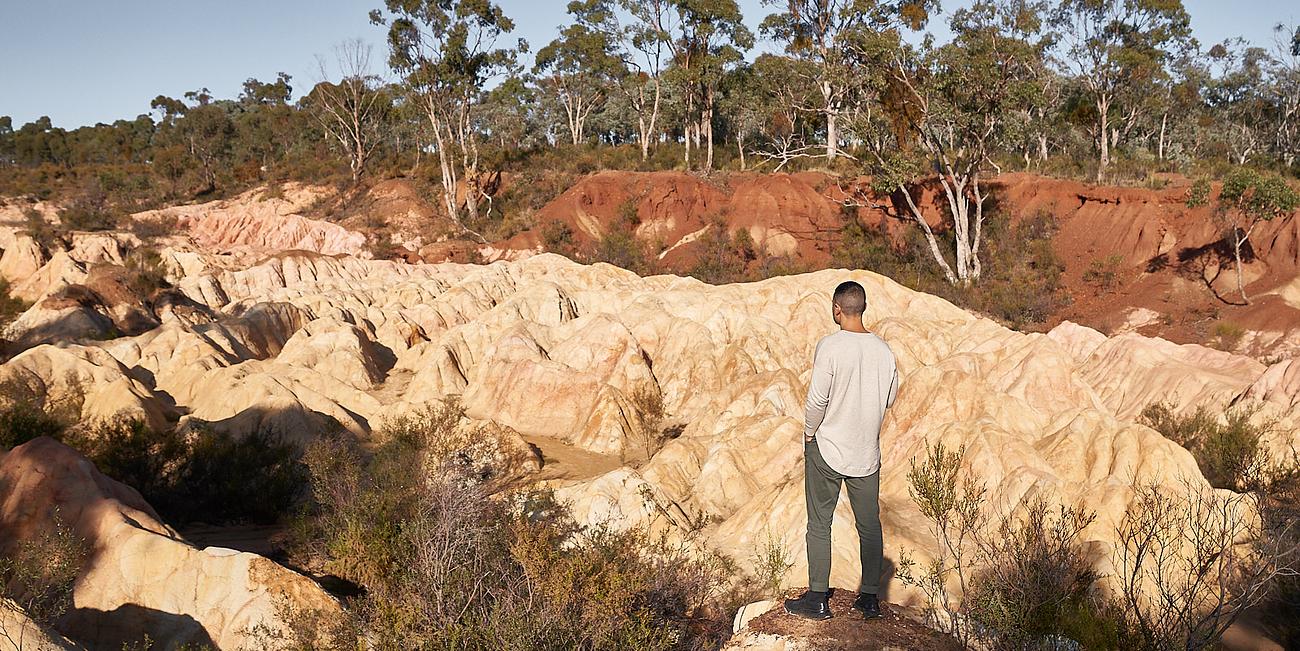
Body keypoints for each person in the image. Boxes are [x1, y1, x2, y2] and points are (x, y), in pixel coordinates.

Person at [783, 280, 899, 621]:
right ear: (862, 308)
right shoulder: (884, 351)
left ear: (837, 309)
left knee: (820, 524)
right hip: (866, 453)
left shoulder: (830, 347)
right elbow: (890, 399)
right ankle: (870, 599)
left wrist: (808, 434)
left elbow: (817, 399)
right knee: (870, 526)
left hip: (829, 448)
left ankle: (817, 599)